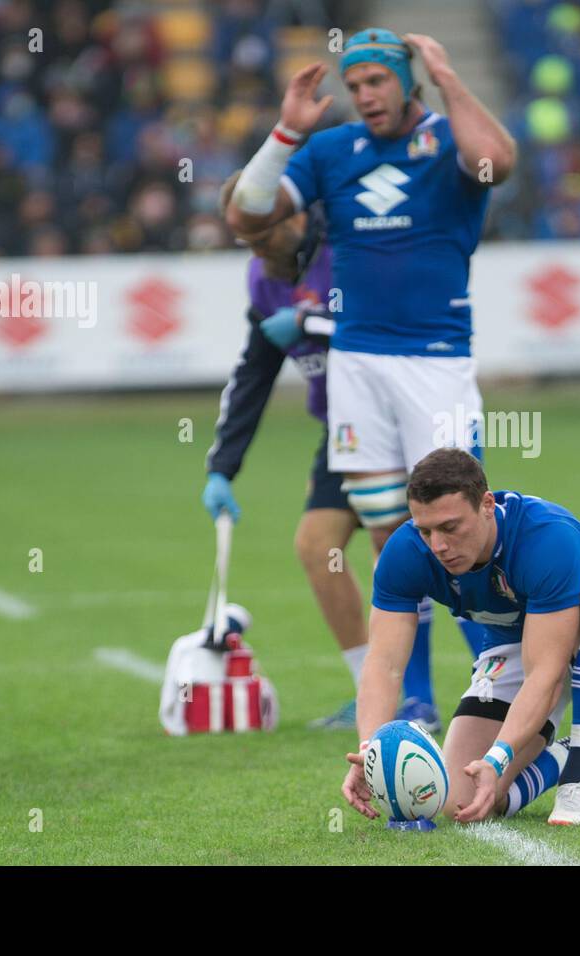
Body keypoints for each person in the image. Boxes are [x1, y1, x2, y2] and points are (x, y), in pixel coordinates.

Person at [224, 29, 514, 725]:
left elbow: (496, 163)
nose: (364, 97)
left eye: (376, 83)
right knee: (393, 536)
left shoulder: (446, 140)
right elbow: (246, 214)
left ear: (406, 81)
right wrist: (287, 134)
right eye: (354, 88)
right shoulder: (330, 151)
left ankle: (500, 684)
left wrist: (450, 80)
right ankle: (414, 698)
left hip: (435, 361)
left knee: (463, 534)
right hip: (358, 364)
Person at [203, 174, 443, 730]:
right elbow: (254, 373)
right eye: (247, 242)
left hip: (397, 422)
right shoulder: (263, 280)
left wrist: (311, 322)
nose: (259, 253)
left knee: (399, 549)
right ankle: (371, 691)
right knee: (317, 547)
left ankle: (421, 698)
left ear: (292, 214)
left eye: (263, 236)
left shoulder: (348, 252)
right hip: (342, 433)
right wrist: (222, 468)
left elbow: (386, 327)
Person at [340, 448, 580, 827]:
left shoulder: (545, 536)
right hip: (518, 644)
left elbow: (547, 673)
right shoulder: (406, 552)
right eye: (426, 530)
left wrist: (500, 756)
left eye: (450, 527)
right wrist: (370, 751)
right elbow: (384, 663)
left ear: (487, 504)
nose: (438, 546)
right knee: (459, 800)